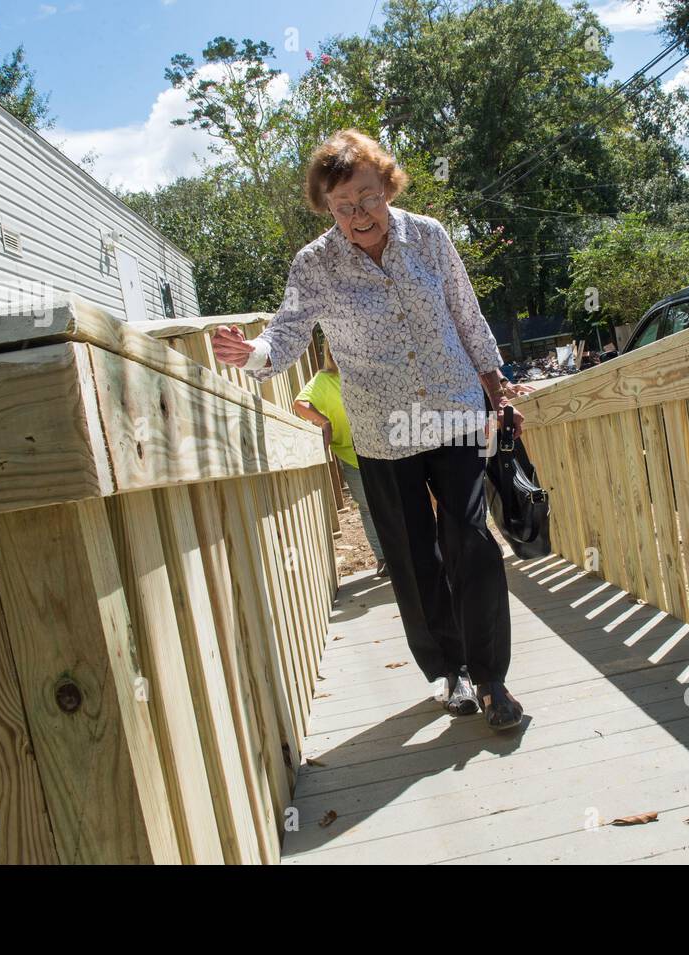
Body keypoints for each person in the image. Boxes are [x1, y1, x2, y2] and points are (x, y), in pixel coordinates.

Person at [212, 129, 525, 731]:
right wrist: (249, 354)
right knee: (412, 557)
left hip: (454, 412)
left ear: (388, 186)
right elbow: (286, 335)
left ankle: (492, 681)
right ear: (327, 209)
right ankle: (449, 670)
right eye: (342, 206)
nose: (358, 215)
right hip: (381, 433)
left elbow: (466, 312)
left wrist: (496, 389)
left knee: (470, 539)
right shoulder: (315, 265)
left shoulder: (429, 238)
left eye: (368, 198)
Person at [292, 343, 388, 577]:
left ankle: (410, 551)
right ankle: (383, 558)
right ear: (330, 352)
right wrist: (324, 421)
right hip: (351, 455)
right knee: (368, 507)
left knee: (398, 502)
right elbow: (300, 404)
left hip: (386, 449)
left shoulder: (369, 369)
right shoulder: (324, 380)